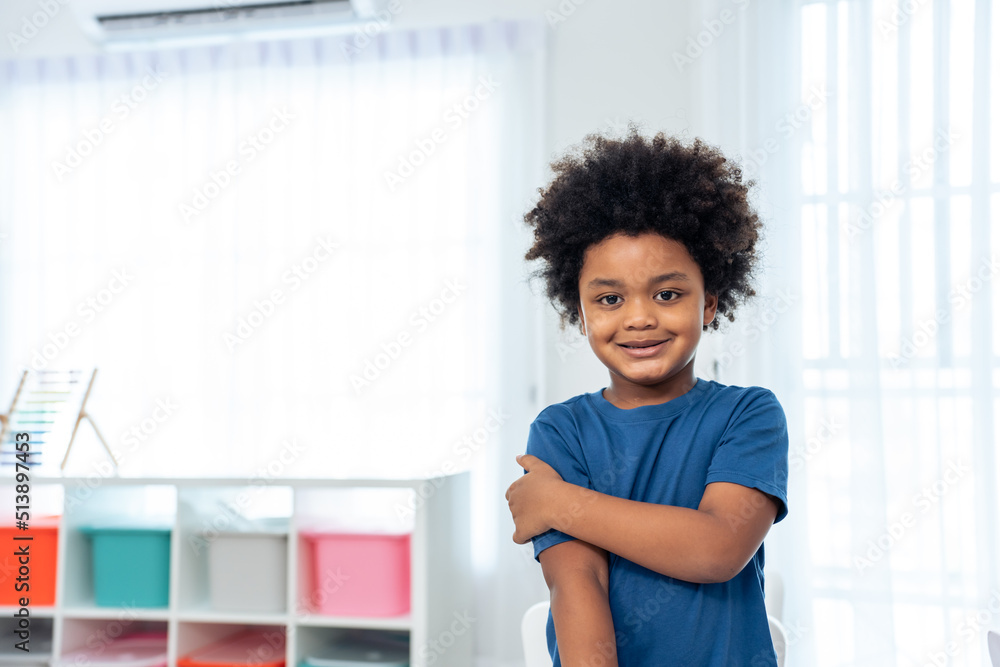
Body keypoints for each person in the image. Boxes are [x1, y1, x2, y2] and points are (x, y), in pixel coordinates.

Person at [505, 124, 789, 666]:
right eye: (610, 298)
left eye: (667, 293)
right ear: (579, 314)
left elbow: (717, 549)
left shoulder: (748, 414)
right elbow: (576, 582)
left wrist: (557, 502)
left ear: (709, 303)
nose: (639, 317)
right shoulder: (560, 431)